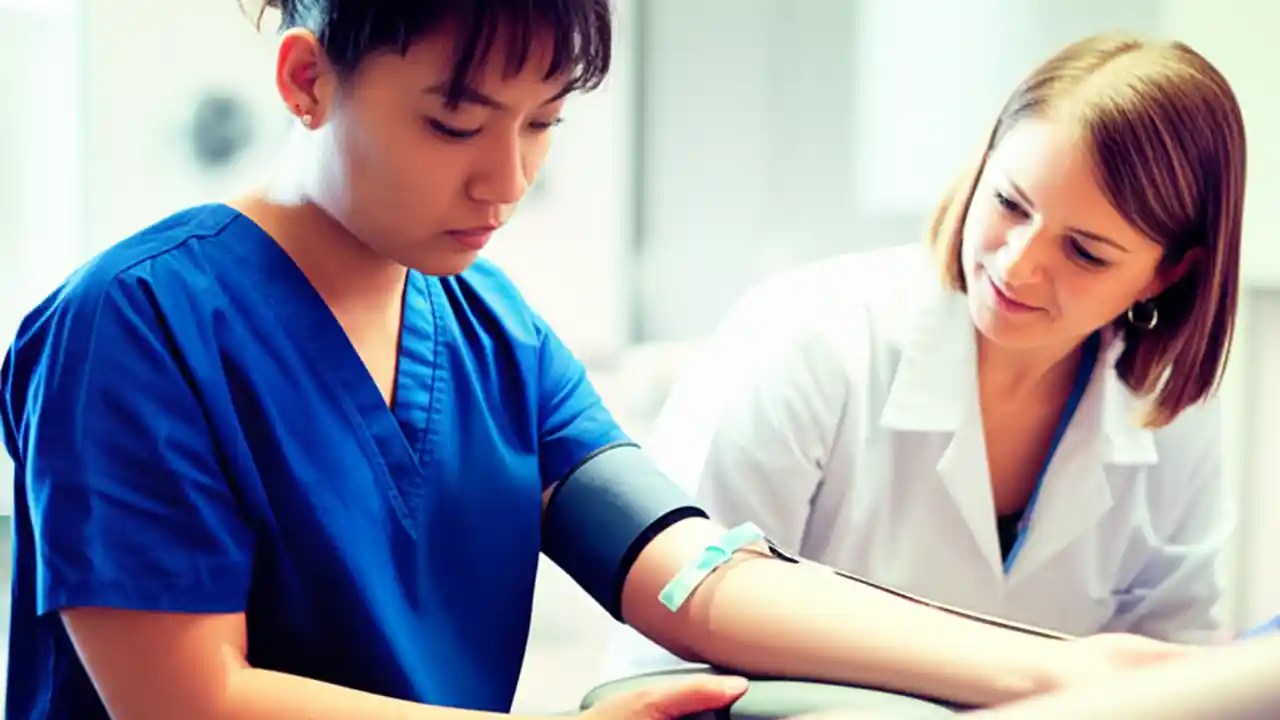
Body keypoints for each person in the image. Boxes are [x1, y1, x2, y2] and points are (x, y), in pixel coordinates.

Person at [0, 7, 1203, 720]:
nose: (507, 180)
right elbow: (183, 701)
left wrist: (1058, 670)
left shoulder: (488, 329)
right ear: (309, 80)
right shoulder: (137, 324)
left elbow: (684, 572)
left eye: (542, 123)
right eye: (455, 123)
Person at [606, 31, 1246, 680]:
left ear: (1166, 274)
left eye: (1085, 252)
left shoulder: (1167, 415)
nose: (1017, 267)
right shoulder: (809, 338)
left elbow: (1172, 677)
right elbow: (678, 615)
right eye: (1008, 203)